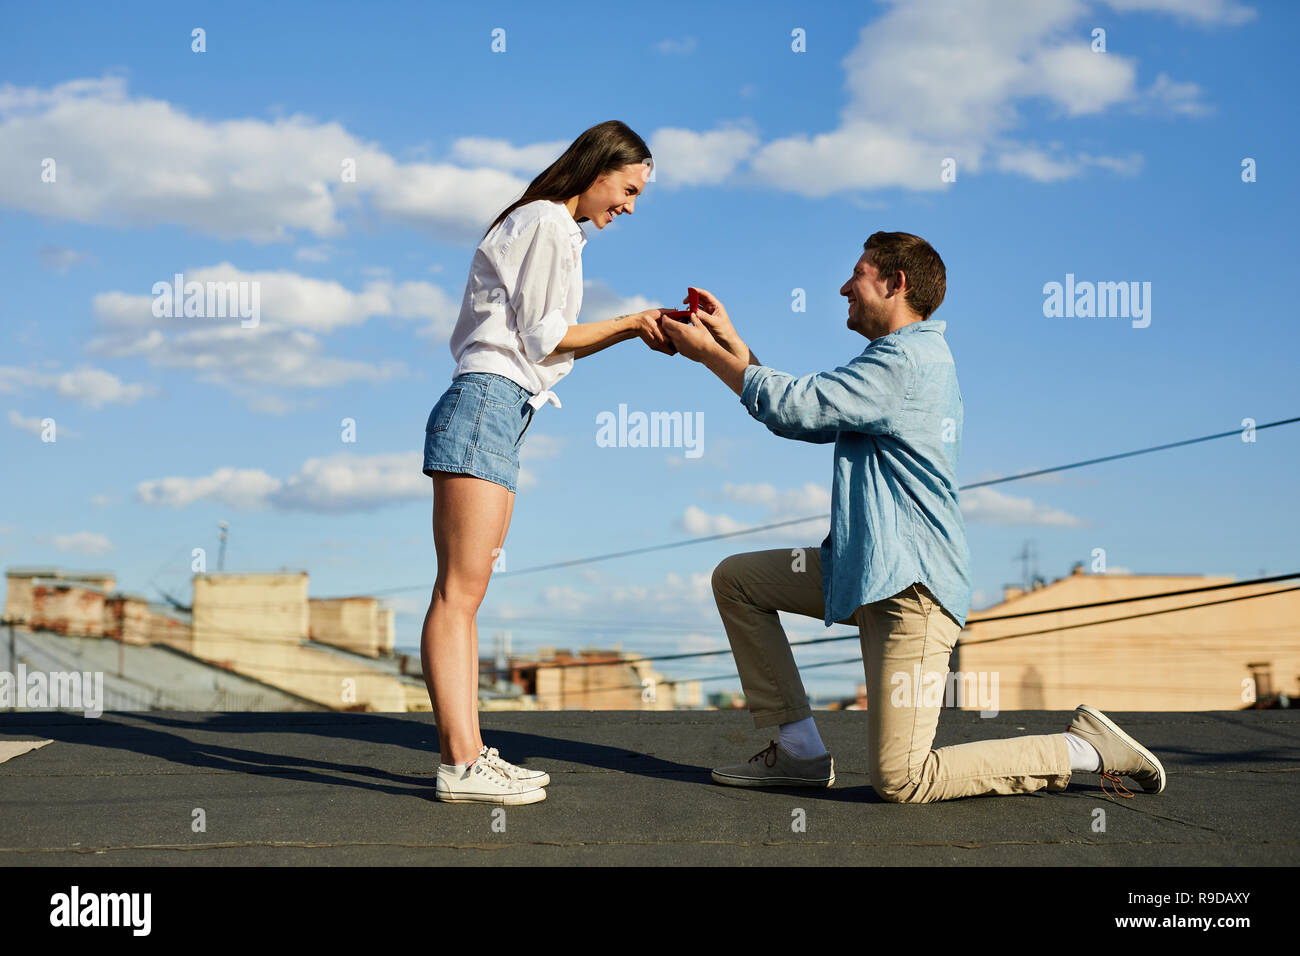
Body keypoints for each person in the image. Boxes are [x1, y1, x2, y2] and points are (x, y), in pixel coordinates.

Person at [659, 232, 1167, 803]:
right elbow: (797, 412)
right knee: (739, 581)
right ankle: (799, 750)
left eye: (858, 274)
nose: (844, 288)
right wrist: (731, 343)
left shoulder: (905, 362)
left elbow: (795, 404)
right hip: (865, 571)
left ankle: (1084, 748)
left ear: (895, 284)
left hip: (910, 592)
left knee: (902, 779)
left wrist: (708, 355)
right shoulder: (895, 363)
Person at [420, 120, 674, 804]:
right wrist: (634, 323)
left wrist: (636, 326)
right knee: (457, 594)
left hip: (503, 410)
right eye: (628, 190)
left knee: (466, 594)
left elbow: (541, 341)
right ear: (596, 171)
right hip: (486, 403)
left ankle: (469, 756)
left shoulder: (554, 228)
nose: (630, 207)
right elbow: (545, 338)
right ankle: (460, 765)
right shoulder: (545, 222)